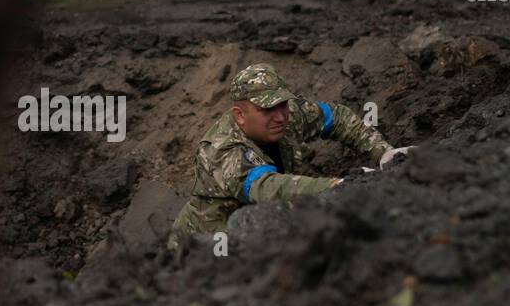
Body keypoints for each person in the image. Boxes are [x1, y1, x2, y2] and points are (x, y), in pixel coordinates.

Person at [167, 64, 410, 253]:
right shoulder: (222, 150)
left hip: (259, 228)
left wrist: (383, 151)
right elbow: (266, 187)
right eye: (266, 110)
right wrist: (336, 186)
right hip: (206, 246)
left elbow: (337, 117)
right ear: (240, 115)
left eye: (282, 105)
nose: (280, 116)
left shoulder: (287, 115)